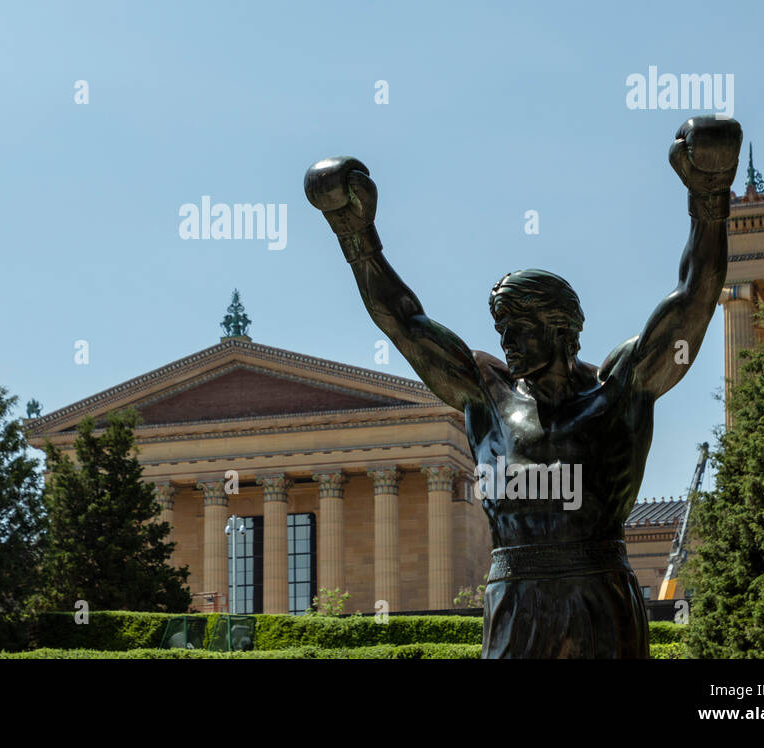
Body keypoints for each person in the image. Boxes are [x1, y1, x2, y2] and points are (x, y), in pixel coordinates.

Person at [304, 116, 741, 658]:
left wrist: (709, 197)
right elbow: (405, 324)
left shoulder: (618, 392)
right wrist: (356, 236)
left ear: (561, 329)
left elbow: (692, 305)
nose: (506, 342)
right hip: (516, 596)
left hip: (600, 594)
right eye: (501, 329)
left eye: (518, 328)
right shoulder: (488, 394)